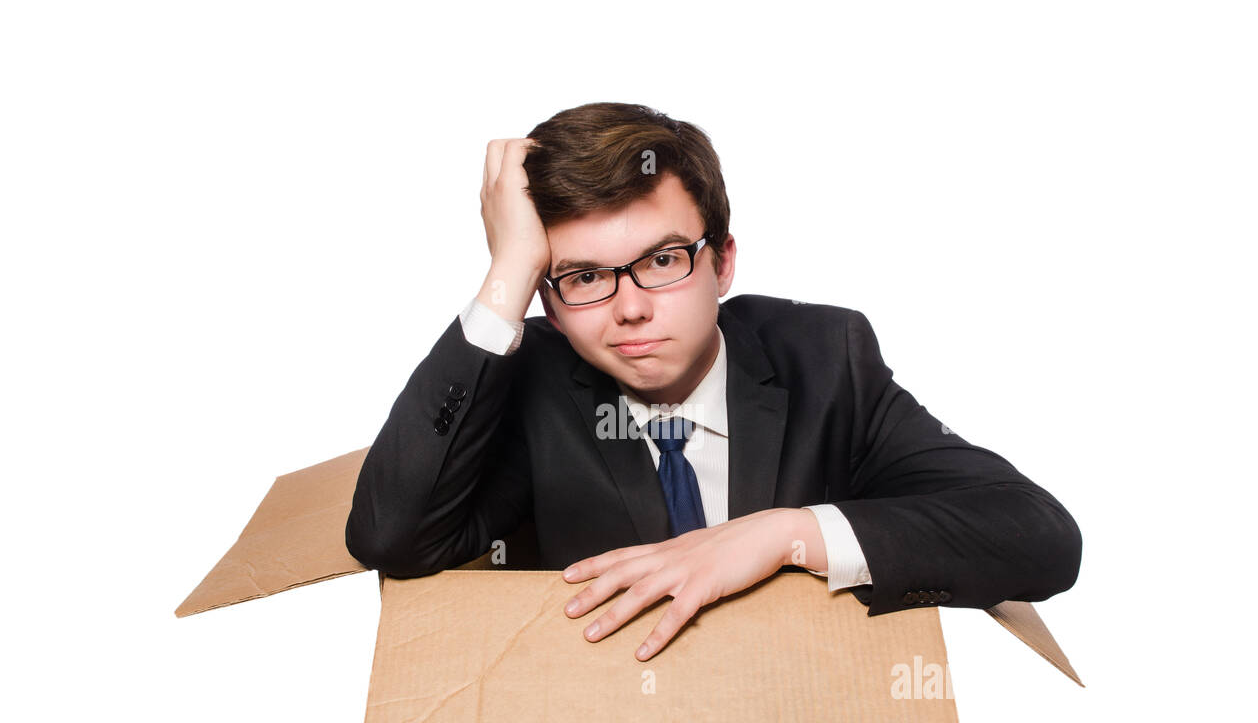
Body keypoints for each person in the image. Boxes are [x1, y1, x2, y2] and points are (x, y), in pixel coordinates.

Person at [344, 102, 1082, 661]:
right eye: (585, 277)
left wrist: (787, 534)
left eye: (664, 260)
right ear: (548, 299)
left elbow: (1040, 537)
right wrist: (507, 274)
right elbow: (391, 535)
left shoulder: (827, 361)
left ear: (722, 262)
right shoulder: (530, 381)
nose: (630, 308)